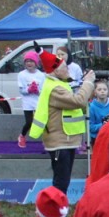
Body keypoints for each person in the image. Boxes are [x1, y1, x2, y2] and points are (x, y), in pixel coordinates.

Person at [28, 51, 95, 194]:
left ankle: (58, 211)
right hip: (60, 140)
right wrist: (88, 83)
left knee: (63, 180)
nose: (68, 70)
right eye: (65, 67)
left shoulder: (58, 84)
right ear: (56, 71)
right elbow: (78, 101)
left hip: (65, 139)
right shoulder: (56, 88)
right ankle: (56, 212)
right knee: (61, 183)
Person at [17, 50, 45, 148]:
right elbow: (21, 90)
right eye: (27, 61)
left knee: (41, 121)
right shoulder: (21, 74)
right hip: (27, 102)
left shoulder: (41, 75)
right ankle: (22, 136)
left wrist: (37, 90)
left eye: (31, 61)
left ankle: (45, 139)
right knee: (29, 121)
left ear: (36, 63)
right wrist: (29, 90)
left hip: (38, 101)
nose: (29, 63)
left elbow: (43, 90)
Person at [88, 78, 109, 152]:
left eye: (105, 89)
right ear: (95, 92)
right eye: (99, 89)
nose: (102, 91)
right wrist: (103, 124)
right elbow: (90, 127)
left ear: (108, 91)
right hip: (97, 137)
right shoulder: (92, 107)